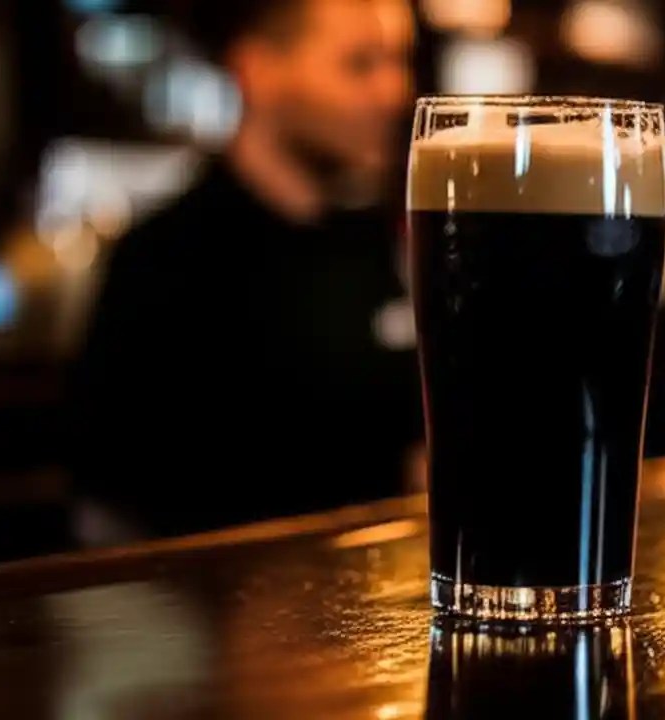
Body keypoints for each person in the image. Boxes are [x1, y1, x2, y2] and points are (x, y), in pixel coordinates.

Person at [70, 0, 421, 541]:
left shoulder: (371, 245)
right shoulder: (164, 258)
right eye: (359, 64)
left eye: (399, 61)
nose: (394, 91)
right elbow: (111, 505)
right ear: (258, 71)